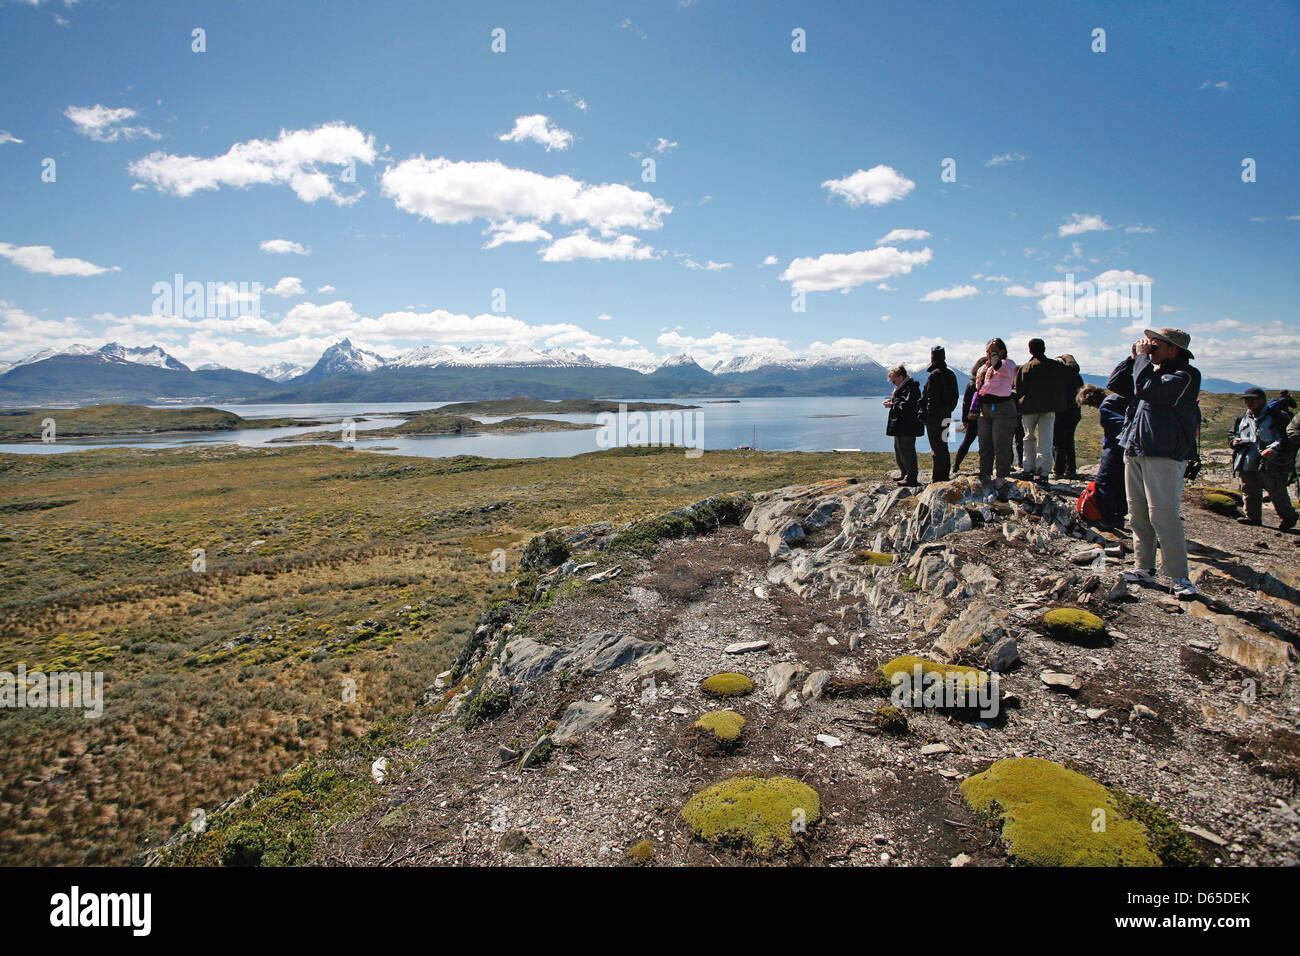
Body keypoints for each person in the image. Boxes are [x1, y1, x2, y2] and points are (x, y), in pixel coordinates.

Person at [1116, 327, 1202, 600]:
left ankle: (1180, 576)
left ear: (1173, 349)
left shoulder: (1185, 375)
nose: (1149, 348)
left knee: (1163, 514)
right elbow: (1117, 384)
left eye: (1156, 344)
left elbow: (1149, 391)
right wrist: (1133, 359)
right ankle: (1144, 567)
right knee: (1138, 513)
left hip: (1164, 453)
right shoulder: (1149, 370)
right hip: (1136, 448)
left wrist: (1143, 360)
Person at [1229, 387, 1297, 529]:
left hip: (1270, 462)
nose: (1249, 402)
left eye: (1252, 399)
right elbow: (1232, 434)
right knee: (1249, 489)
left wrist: (1275, 450)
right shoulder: (1242, 418)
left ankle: (1288, 518)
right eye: (1247, 399)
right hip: (1246, 460)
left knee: (1276, 490)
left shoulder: (1278, 416)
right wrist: (1234, 441)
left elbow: (1287, 437)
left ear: (1262, 400)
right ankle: (1253, 517)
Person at [1013, 338, 1068, 483]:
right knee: (1046, 439)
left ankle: (1028, 468)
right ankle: (1043, 472)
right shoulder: (1055, 366)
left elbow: (1019, 389)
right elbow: (1072, 369)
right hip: (1049, 407)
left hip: (1029, 408)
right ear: (1044, 348)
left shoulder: (1026, 367)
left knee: (1028, 437)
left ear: (1030, 350)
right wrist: (1067, 357)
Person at [1077, 384, 1128, 526]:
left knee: (1104, 482)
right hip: (1126, 451)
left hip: (1115, 449)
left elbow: (1121, 426)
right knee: (1121, 483)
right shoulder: (1117, 399)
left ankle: (1107, 517)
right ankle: (1119, 516)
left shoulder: (1107, 406)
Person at [975, 338, 1018, 486]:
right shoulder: (984, 369)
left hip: (1003, 408)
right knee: (985, 444)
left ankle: (1002, 478)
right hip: (985, 409)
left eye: (993, 350)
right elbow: (979, 387)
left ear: (1002, 351)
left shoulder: (1008, 364)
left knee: (1001, 444)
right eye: (988, 351)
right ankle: (985, 475)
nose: (989, 353)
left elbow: (999, 367)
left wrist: (994, 358)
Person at [920, 346, 959, 482]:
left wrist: (927, 416)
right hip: (946, 415)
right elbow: (955, 396)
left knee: (936, 448)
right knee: (944, 445)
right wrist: (949, 409)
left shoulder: (934, 375)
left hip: (934, 419)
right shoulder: (951, 374)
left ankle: (938, 477)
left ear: (932, 359)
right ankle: (944, 475)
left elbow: (930, 398)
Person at [883, 364, 923, 486]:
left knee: (907, 450)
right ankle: (904, 473)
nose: (893, 383)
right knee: (899, 448)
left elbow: (908, 406)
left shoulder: (911, 388)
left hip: (908, 425)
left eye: (893, 380)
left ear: (900, 377)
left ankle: (911, 477)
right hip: (901, 425)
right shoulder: (903, 388)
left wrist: (892, 404)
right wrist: (893, 402)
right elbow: (902, 403)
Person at [951, 355, 985, 475]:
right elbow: (965, 402)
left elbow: (965, 402)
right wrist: (965, 419)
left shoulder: (973, 383)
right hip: (980, 417)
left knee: (968, 441)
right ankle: (982, 466)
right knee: (976, 442)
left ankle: (956, 466)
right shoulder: (980, 383)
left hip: (973, 417)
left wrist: (965, 419)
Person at [1054, 354, 1085, 478]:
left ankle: (1059, 469)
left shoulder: (1058, 377)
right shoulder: (1077, 377)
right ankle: (1071, 468)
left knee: (1058, 442)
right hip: (1074, 412)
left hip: (1061, 412)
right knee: (1069, 440)